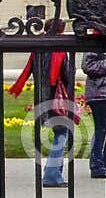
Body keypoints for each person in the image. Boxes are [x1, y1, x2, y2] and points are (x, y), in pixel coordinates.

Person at [9, 19, 75, 187]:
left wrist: (18, 87)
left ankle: (55, 173)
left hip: (41, 96)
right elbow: (66, 76)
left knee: (59, 132)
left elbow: (27, 71)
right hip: (56, 98)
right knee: (62, 133)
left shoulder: (38, 47)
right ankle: (52, 175)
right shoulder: (60, 49)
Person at [82, 39, 106, 179]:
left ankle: (105, 162)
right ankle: (97, 164)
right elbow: (87, 65)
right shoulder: (95, 43)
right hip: (99, 94)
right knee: (102, 129)